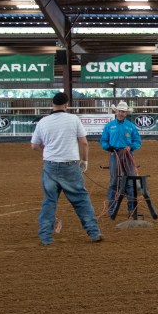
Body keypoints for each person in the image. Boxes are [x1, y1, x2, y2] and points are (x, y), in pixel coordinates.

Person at [31, 92, 101, 246]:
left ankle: (45, 237)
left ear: (52, 104)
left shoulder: (43, 122)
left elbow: (34, 145)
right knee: (81, 200)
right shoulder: (73, 119)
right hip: (70, 165)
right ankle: (93, 232)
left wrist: (45, 152)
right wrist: (84, 160)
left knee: (49, 201)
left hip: (50, 165)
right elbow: (84, 143)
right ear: (66, 105)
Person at [100, 101, 143, 217]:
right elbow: (103, 140)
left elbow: (137, 141)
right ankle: (111, 209)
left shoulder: (131, 126)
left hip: (128, 155)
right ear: (116, 112)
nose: (121, 113)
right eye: (120, 111)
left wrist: (131, 147)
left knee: (130, 181)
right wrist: (108, 147)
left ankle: (132, 209)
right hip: (114, 154)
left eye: (123, 112)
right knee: (114, 181)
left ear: (126, 113)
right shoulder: (109, 126)